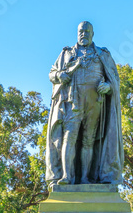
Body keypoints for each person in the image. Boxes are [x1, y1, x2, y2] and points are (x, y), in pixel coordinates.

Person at [44, 21, 124, 187]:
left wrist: (108, 87)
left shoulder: (103, 54)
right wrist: (60, 75)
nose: (83, 34)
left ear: (92, 34)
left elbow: (114, 80)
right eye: (81, 31)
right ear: (77, 33)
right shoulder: (66, 53)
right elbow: (52, 73)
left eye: (87, 32)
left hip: (95, 103)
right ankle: (66, 176)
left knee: (88, 140)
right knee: (69, 137)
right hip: (72, 102)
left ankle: (86, 178)